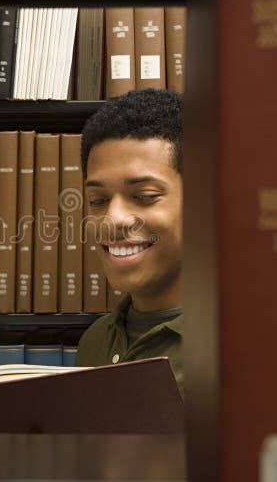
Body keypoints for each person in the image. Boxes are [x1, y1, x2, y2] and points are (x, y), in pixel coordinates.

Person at [75, 88, 184, 394]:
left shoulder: (247, 348)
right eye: (98, 200)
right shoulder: (94, 342)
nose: (113, 219)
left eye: (144, 197)